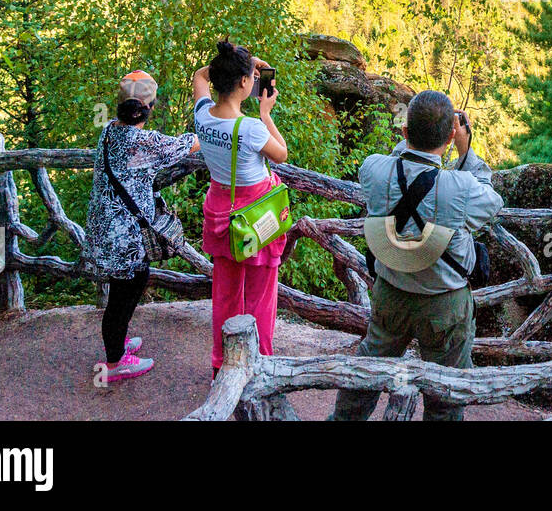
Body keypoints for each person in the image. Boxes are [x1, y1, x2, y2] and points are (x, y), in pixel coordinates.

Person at [330, 90, 501, 421]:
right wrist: (465, 151)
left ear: (404, 133)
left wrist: (413, 138)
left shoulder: (374, 170)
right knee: (446, 390)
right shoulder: (460, 187)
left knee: (368, 371)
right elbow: (492, 202)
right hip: (444, 304)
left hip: (390, 291)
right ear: (451, 135)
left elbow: (399, 161)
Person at [83, 71, 198, 383]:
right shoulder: (143, 140)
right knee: (125, 293)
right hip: (125, 238)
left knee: (123, 290)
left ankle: (117, 344)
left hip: (104, 228)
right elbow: (189, 145)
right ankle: (116, 362)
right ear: (150, 107)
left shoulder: (108, 131)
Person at [192, 39, 289, 374]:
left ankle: (222, 362)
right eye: (250, 76)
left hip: (220, 209)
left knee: (226, 294)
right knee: (261, 294)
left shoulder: (202, 116)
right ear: (247, 83)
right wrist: (265, 114)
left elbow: (199, 76)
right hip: (256, 218)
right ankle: (258, 362)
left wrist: (234, 62)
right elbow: (282, 153)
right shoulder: (250, 128)